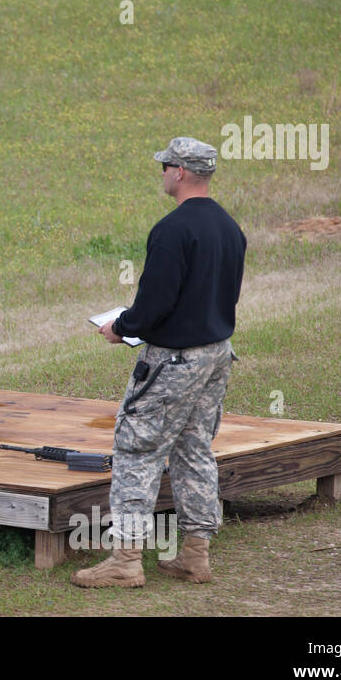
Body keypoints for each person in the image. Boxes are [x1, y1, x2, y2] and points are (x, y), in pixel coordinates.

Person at [72, 136, 246, 588]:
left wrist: (121, 326)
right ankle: (195, 554)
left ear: (181, 173)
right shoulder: (229, 227)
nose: (162, 173)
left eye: (165, 165)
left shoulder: (172, 231)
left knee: (136, 449)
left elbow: (154, 305)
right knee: (194, 449)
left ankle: (126, 561)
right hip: (217, 353)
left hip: (173, 360)